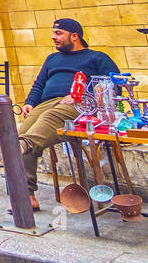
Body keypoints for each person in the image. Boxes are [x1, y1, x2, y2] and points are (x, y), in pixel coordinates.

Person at [17, 18, 118, 210]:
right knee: (23, 132)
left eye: (58, 33)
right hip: (46, 104)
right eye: (53, 33)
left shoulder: (97, 58)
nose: (53, 37)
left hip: (78, 106)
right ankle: (26, 195)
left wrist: (82, 95)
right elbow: (39, 84)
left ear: (74, 36)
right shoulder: (52, 59)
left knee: (33, 134)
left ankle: (19, 148)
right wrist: (30, 103)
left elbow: (112, 86)